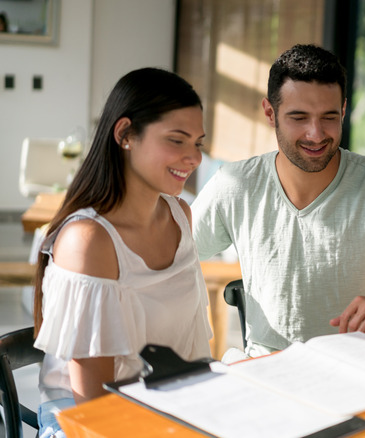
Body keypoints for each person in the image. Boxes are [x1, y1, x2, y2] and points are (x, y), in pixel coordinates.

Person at [192, 44, 365, 357]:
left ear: (343, 110)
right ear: (269, 113)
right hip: (267, 369)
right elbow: (164, 257)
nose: (316, 134)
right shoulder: (235, 185)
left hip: (362, 365)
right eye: (298, 117)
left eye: (329, 117)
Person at [32, 68, 212, 438]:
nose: (192, 158)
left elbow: (192, 353)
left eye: (198, 143)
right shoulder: (89, 240)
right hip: (91, 420)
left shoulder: (181, 215)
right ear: (125, 134)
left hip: (166, 405)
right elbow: (92, 401)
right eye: (176, 141)